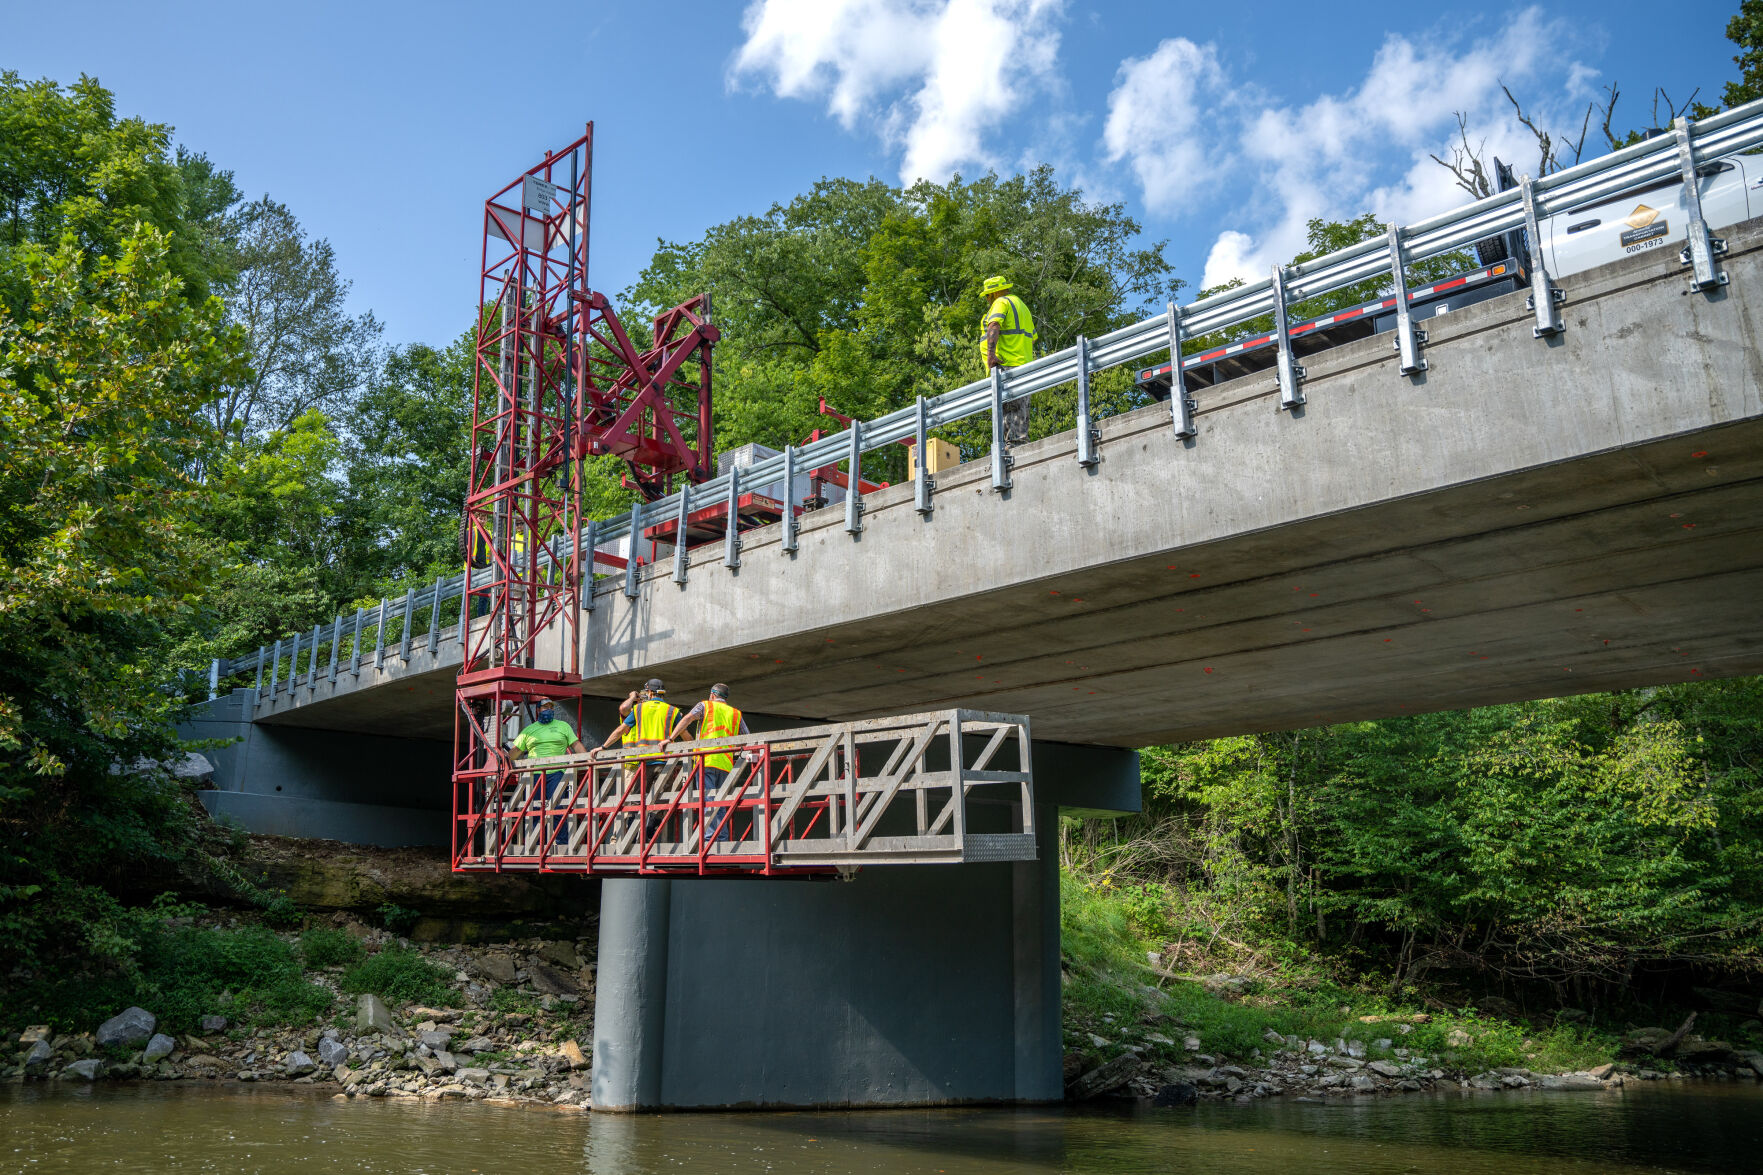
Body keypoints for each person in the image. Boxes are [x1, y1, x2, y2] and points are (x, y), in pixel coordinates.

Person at [665, 683, 750, 842]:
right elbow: (747, 738)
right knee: (720, 802)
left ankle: (710, 840)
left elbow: (688, 718)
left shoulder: (705, 705)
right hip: (725, 763)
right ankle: (721, 839)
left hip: (706, 760)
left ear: (712, 694)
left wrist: (670, 738)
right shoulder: (736, 713)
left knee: (708, 801)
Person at [511, 698, 586, 847]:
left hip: (557, 772)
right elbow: (516, 751)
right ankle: (537, 844)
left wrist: (589, 760)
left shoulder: (563, 726)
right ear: (538, 710)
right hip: (535, 774)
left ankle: (561, 843)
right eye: (545, 707)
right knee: (535, 809)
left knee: (558, 807)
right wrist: (502, 759)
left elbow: (576, 744)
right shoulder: (529, 730)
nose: (549, 710)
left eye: (551, 707)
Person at [978, 275, 1037, 444]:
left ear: (994, 293)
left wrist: (990, 355)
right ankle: (1017, 444)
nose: (988, 300)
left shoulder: (1001, 303)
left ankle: (1010, 448)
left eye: (988, 296)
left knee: (1007, 411)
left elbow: (994, 325)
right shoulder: (1023, 307)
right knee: (1020, 411)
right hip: (1024, 365)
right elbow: (1032, 338)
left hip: (1007, 365)